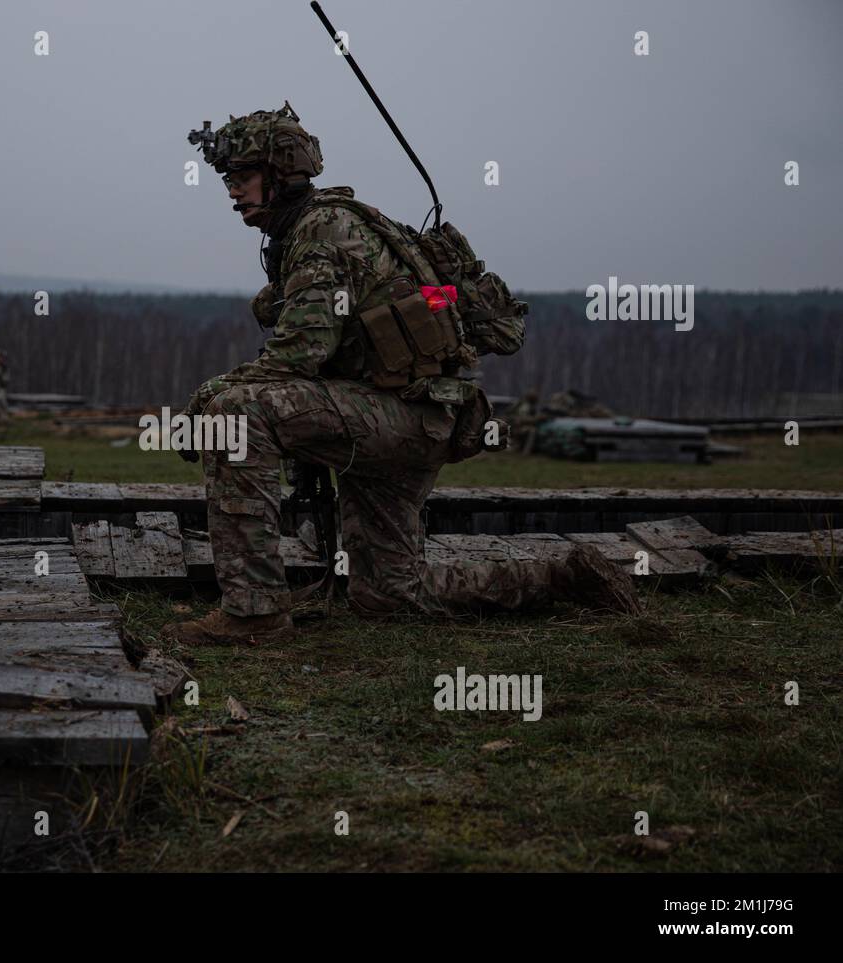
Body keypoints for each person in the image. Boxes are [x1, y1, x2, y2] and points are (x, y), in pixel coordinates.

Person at [165, 105, 638, 646]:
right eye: (227, 180)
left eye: (242, 177)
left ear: (279, 172)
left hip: (402, 414)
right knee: (390, 595)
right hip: (413, 413)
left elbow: (301, 351)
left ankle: (254, 616)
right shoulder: (335, 223)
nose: (232, 191)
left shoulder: (321, 228)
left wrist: (209, 394)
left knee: (234, 413)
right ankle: (558, 578)